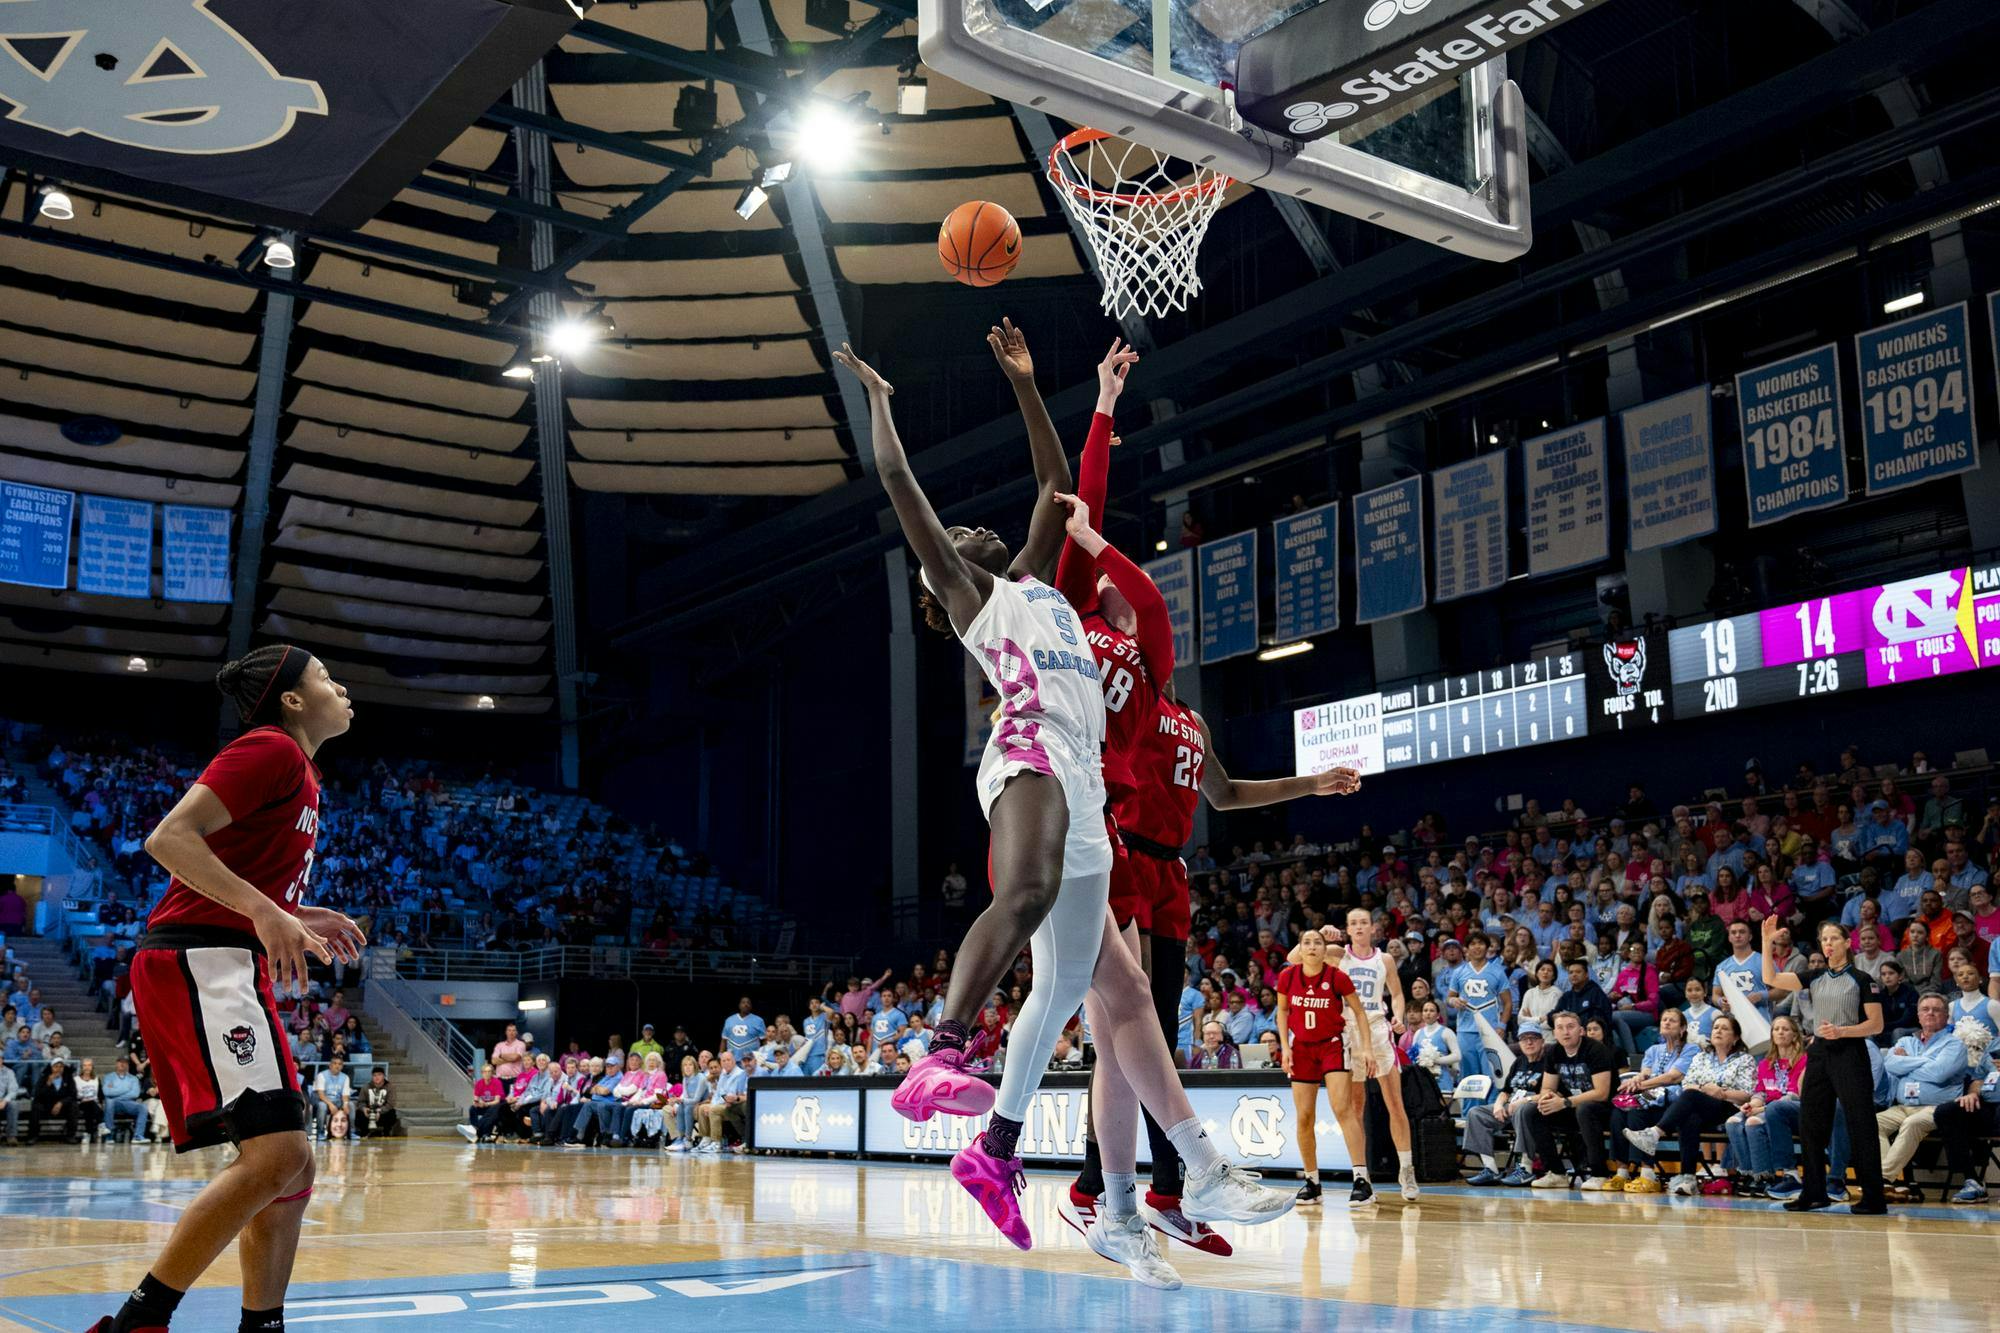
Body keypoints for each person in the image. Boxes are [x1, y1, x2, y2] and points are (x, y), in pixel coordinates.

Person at [842, 336, 1290, 1259]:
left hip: (1083, 776)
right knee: (1034, 893)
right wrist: (882, 400)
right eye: (957, 540)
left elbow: (1055, 480)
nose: (971, 530)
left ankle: (1059, 1159)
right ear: (943, 580)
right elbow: (899, 484)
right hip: (1028, 752)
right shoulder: (976, 598)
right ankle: (942, 1043)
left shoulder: (1038, 583)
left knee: (1107, 988)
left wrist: (1022, 383)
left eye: (974, 532)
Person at [97, 644, 367, 1333]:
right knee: (278, 1154)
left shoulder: (301, 771)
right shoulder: (271, 748)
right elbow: (170, 838)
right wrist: (266, 908)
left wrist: (293, 909)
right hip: (197, 960)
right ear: (294, 700)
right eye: (326, 678)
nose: (341, 686)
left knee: (293, 1165)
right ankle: (138, 1321)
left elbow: (233, 881)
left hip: (222, 957)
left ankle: (261, 1324)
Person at [1761, 915, 1887, 1213]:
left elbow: (1877, 1025)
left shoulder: (1862, 980)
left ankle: (1873, 1197)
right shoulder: (1813, 975)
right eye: (1824, 939)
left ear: (1847, 942)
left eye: (1834, 938)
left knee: (1861, 1124)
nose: (1828, 944)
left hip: (1850, 1052)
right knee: (1810, 1124)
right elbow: (1772, 979)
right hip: (1818, 1054)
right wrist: (1767, 943)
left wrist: (1843, 1030)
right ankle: (1814, 1192)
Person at [1327, 905, 1421, 1202]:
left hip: (1379, 1030)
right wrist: (1321, 933)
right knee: (1356, 1108)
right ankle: (1362, 1176)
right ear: (1347, 928)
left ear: (1372, 928)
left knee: (1395, 1102)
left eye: (1363, 923)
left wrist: (1399, 1016)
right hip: (1349, 1031)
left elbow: (1396, 994)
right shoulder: (1337, 954)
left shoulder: (1386, 959)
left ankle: (1406, 1170)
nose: (1358, 927)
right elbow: (1300, 954)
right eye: (1352, 923)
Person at [1274, 930, 1375, 1205]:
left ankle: (1361, 1179)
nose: (1312, 947)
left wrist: (1366, 1048)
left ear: (1324, 949)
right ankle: (1312, 1181)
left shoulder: (1337, 976)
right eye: (1306, 942)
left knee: (1343, 1109)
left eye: (1317, 943)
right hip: (1302, 1048)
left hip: (1332, 1045)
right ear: (1300, 948)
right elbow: (1282, 1011)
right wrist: (1285, 1047)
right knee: (1304, 1116)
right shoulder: (1287, 977)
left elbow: (1359, 1012)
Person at [1618, 1012, 1755, 1194]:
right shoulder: (1701, 1057)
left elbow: (1746, 1094)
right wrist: (1705, 1089)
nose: (1718, 1031)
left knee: (1690, 1097)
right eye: (1715, 1028)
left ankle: (1655, 1133)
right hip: (1702, 1105)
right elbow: (1688, 1083)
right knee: (1689, 1116)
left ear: (1736, 1037)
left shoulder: (1745, 1059)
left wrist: (1721, 1093)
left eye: (1724, 1028)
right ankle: (1688, 1178)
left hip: (1729, 1108)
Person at [1875, 992, 1967, 1201]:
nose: (1931, 1013)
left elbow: (1939, 1073)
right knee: (1872, 1123)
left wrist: (1907, 1064)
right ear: (1918, 1015)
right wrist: (1926, 1061)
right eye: (1925, 1009)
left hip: (1936, 1108)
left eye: (1937, 1010)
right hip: (1902, 1106)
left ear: (1946, 1016)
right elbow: (1890, 1064)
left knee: (1912, 1123)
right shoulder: (1906, 1041)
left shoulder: (1954, 1045)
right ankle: (1892, 1184)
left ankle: (1881, 1179)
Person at [1602, 1007, 1694, 1191]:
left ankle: (1647, 1173)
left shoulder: (1690, 1049)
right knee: (1619, 1111)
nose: (1666, 1022)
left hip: (1673, 1103)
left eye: (1672, 1020)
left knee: (1638, 1109)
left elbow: (1673, 1077)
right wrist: (1636, 1080)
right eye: (1664, 1019)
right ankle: (1622, 1172)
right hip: (1650, 1097)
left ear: (1683, 1029)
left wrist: (1643, 1085)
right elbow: (1645, 1073)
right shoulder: (1653, 1050)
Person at [1523, 1011, 1617, 1187]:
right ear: (1555, 1033)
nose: (1565, 1032)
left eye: (1570, 1027)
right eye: (1560, 1028)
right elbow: (1547, 1087)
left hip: (1605, 1111)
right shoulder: (1553, 1052)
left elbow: (1602, 1093)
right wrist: (1549, 1098)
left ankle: (1599, 1174)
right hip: (1572, 1108)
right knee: (1532, 1111)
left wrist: (1564, 1102)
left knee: (1586, 1108)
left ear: (1581, 1031)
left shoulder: (1596, 1050)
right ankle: (1556, 1173)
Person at [1722, 1014, 1809, 1198]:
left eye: (1785, 1029)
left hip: (1788, 1109)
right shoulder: (1765, 1063)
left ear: (1794, 1035)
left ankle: (1765, 1176)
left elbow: (1795, 1095)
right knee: (1733, 1121)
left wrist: (1759, 1110)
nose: (1780, 1032)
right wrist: (1751, 1104)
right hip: (1765, 1106)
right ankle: (1749, 1173)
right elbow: (1760, 1092)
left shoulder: (1804, 1061)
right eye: (1776, 1029)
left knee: (1753, 1122)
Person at [1464, 1022, 1551, 1185]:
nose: (1529, 1042)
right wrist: (1498, 1105)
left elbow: (1552, 1092)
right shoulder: (1519, 1062)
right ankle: (1490, 1169)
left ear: (1542, 1041)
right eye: (1524, 1039)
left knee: (1523, 1110)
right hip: (1512, 1106)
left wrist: (1525, 1100)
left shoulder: (1548, 1062)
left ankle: (1525, 1169)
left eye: (1533, 1038)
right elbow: (1506, 1091)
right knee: (1476, 1113)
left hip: (1535, 1107)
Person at [1932, 1019, 2000, 1203]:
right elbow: (1978, 1077)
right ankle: (1972, 1180)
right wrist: (1972, 1094)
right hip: (1987, 1104)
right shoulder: (1995, 1043)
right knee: (1947, 1112)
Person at [1443, 932, 1512, 1081]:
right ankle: (1470, 1105)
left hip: (1490, 1030)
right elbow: (1449, 998)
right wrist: (1453, 1001)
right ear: (1466, 949)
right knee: (1469, 1076)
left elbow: (1507, 1003)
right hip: (1465, 1030)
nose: (1477, 947)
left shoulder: (1497, 971)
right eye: (1472, 944)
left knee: (1493, 1074)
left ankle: (1492, 1104)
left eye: (1480, 943)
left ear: (1487, 947)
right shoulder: (1458, 972)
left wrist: (1502, 1026)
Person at [28, 1058, 78, 1144]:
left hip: (62, 1106)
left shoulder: (68, 1078)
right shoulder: (44, 1077)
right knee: (36, 1105)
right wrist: (48, 1083)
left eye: (61, 1067)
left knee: (74, 1105)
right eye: (56, 1066)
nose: (58, 1069)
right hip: (46, 1105)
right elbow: (38, 1095)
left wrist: (61, 1103)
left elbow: (73, 1094)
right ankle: (33, 1136)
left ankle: (70, 1136)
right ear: (51, 1067)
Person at [460, 1062, 505, 1144]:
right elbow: (476, 1099)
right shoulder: (479, 1083)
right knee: (472, 1108)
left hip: (495, 1106)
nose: (487, 1074)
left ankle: (478, 1132)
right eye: (485, 1072)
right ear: (482, 1073)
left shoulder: (497, 1082)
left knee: (492, 1110)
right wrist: (478, 1103)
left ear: (492, 1073)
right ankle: (474, 1128)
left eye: (489, 1071)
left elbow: (497, 1101)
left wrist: (486, 1104)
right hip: (484, 1105)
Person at [311, 1056, 353, 1142]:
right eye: (335, 1063)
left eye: (340, 1064)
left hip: (337, 1101)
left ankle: (351, 1131)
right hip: (323, 1100)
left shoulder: (345, 1077)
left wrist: (345, 1104)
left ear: (342, 1066)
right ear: (330, 1065)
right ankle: (321, 1132)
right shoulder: (322, 1075)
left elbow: (345, 1095)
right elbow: (321, 1094)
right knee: (322, 1106)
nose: (337, 1066)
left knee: (351, 1105)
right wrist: (330, 1105)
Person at [356, 1069, 396, 1139]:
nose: (377, 1077)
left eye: (379, 1075)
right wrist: (364, 1108)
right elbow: (360, 1102)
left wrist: (380, 1111)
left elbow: (390, 1104)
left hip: (382, 1113)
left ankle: (386, 1132)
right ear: (372, 1077)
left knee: (392, 1113)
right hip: (369, 1112)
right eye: (374, 1075)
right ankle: (364, 1132)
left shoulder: (390, 1087)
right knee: (359, 1113)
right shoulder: (366, 1087)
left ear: (384, 1076)